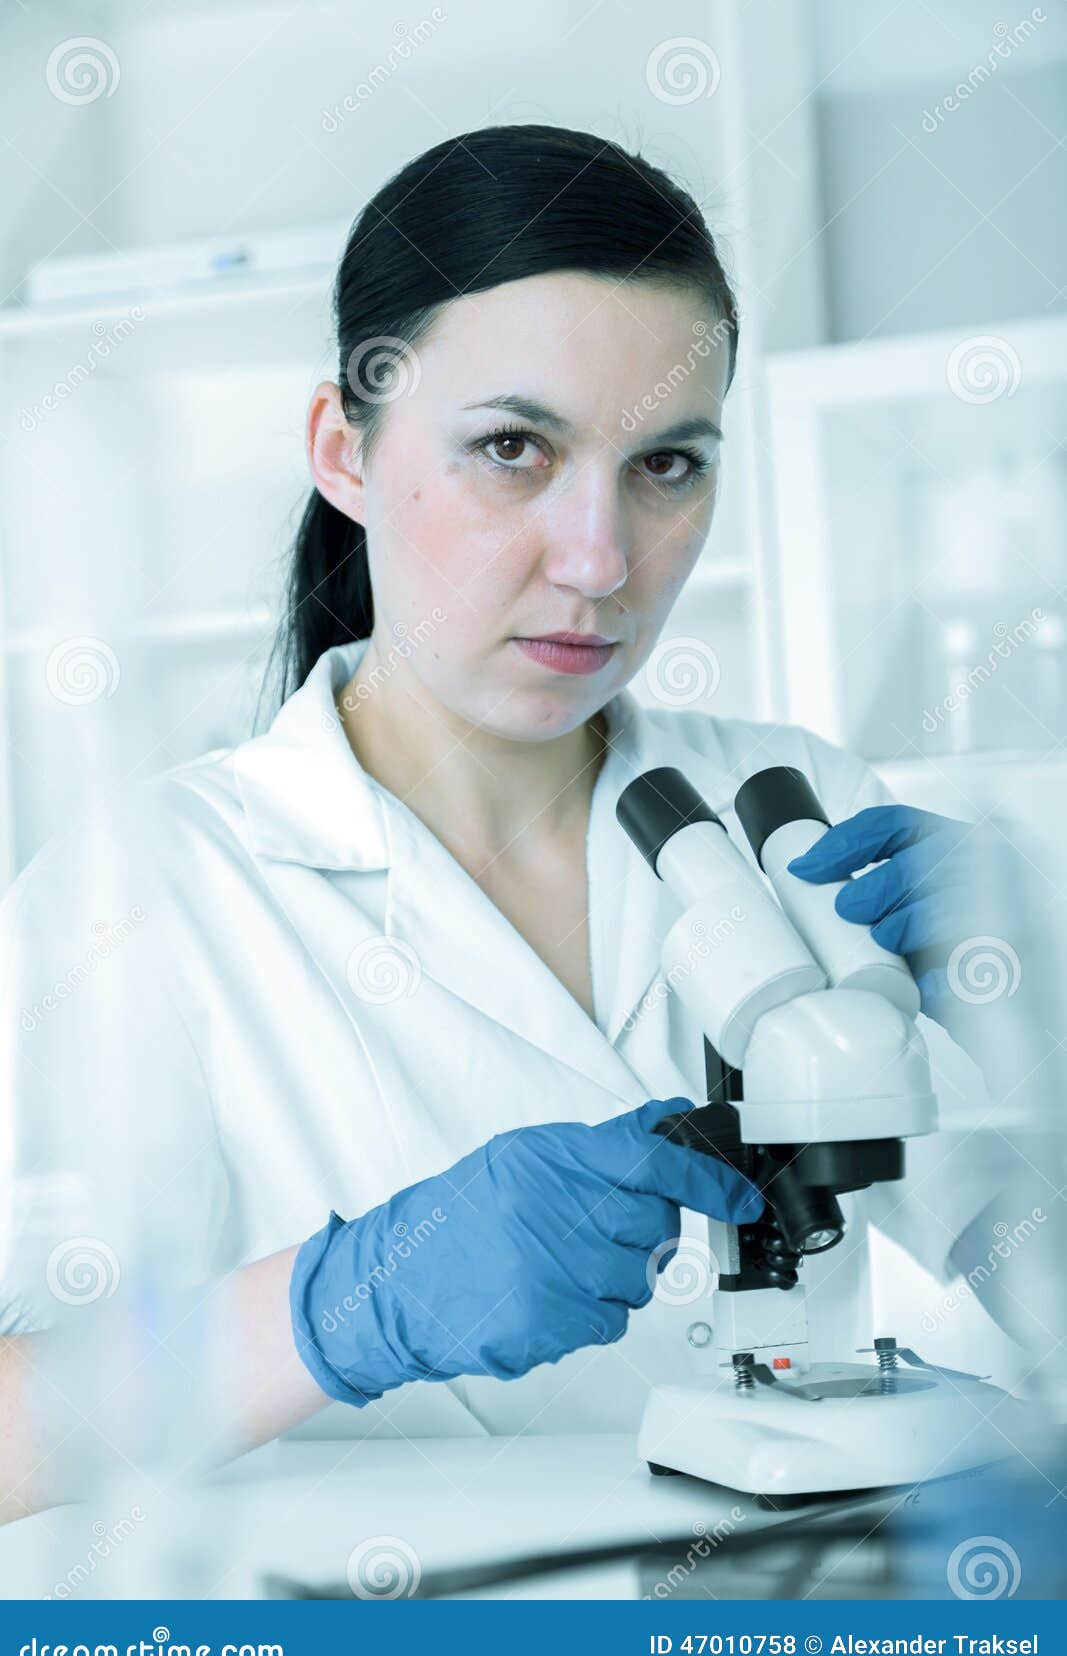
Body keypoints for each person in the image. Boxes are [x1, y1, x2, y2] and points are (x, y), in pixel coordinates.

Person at [0, 124, 1011, 1522]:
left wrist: (1038, 1016)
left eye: (667, 464)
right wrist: (338, 1309)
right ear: (342, 454)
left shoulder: (806, 816)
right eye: (513, 449)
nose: (600, 560)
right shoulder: (147, 891)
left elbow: (1020, 1264)